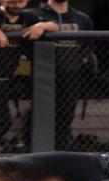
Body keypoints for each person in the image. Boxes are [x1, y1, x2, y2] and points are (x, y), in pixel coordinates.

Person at [0, 0, 56, 154]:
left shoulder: (28, 18)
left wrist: (42, 25)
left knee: (3, 122)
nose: (16, 5)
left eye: (20, 1)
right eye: (12, 1)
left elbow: (55, 26)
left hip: (5, 79)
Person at [32, 0, 99, 151]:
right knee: (40, 114)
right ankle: (36, 149)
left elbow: (90, 44)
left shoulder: (82, 18)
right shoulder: (34, 15)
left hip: (71, 73)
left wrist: (83, 58)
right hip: (41, 75)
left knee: (66, 114)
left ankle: (61, 149)